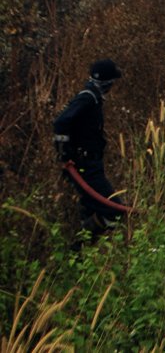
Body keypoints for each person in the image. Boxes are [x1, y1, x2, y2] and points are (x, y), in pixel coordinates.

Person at [53, 59, 126, 237]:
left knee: (91, 210)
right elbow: (61, 122)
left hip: (91, 164)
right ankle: (77, 248)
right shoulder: (88, 97)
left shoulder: (93, 98)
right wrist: (65, 154)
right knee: (114, 211)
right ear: (107, 82)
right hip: (85, 167)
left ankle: (79, 257)